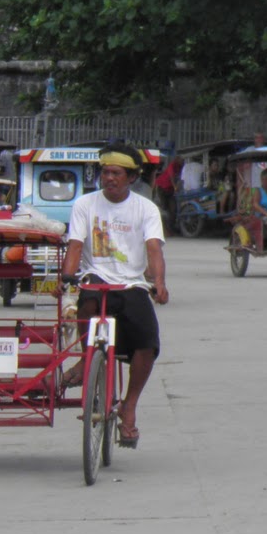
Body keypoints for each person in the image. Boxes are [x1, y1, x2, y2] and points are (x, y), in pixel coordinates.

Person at [59, 144, 168, 449]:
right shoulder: (85, 204)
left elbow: (153, 248)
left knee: (147, 341)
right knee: (88, 298)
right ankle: (85, 361)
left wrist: (158, 282)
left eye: (116, 174)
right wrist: (67, 276)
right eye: (105, 173)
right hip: (96, 277)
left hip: (131, 284)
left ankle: (129, 406)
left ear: (131, 177)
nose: (109, 178)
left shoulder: (145, 209)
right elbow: (76, 245)